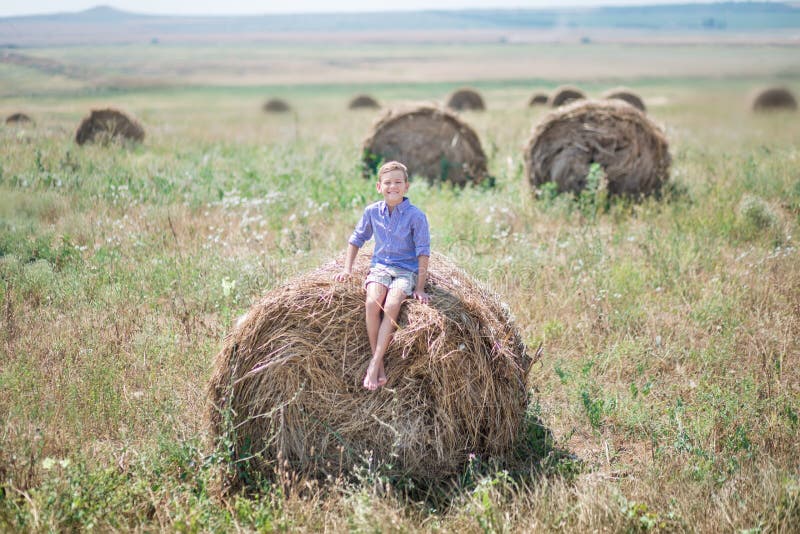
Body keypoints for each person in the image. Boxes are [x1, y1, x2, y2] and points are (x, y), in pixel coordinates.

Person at [333, 161, 431, 390]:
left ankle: (374, 363)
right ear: (379, 186)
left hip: (405, 270)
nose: (392, 187)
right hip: (380, 267)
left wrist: (419, 287)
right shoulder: (371, 212)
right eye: (387, 183)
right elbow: (356, 239)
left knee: (392, 304)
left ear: (406, 187)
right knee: (372, 302)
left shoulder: (417, 216)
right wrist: (347, 268)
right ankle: (379, 366)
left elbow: (423, 252)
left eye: (398, 182)